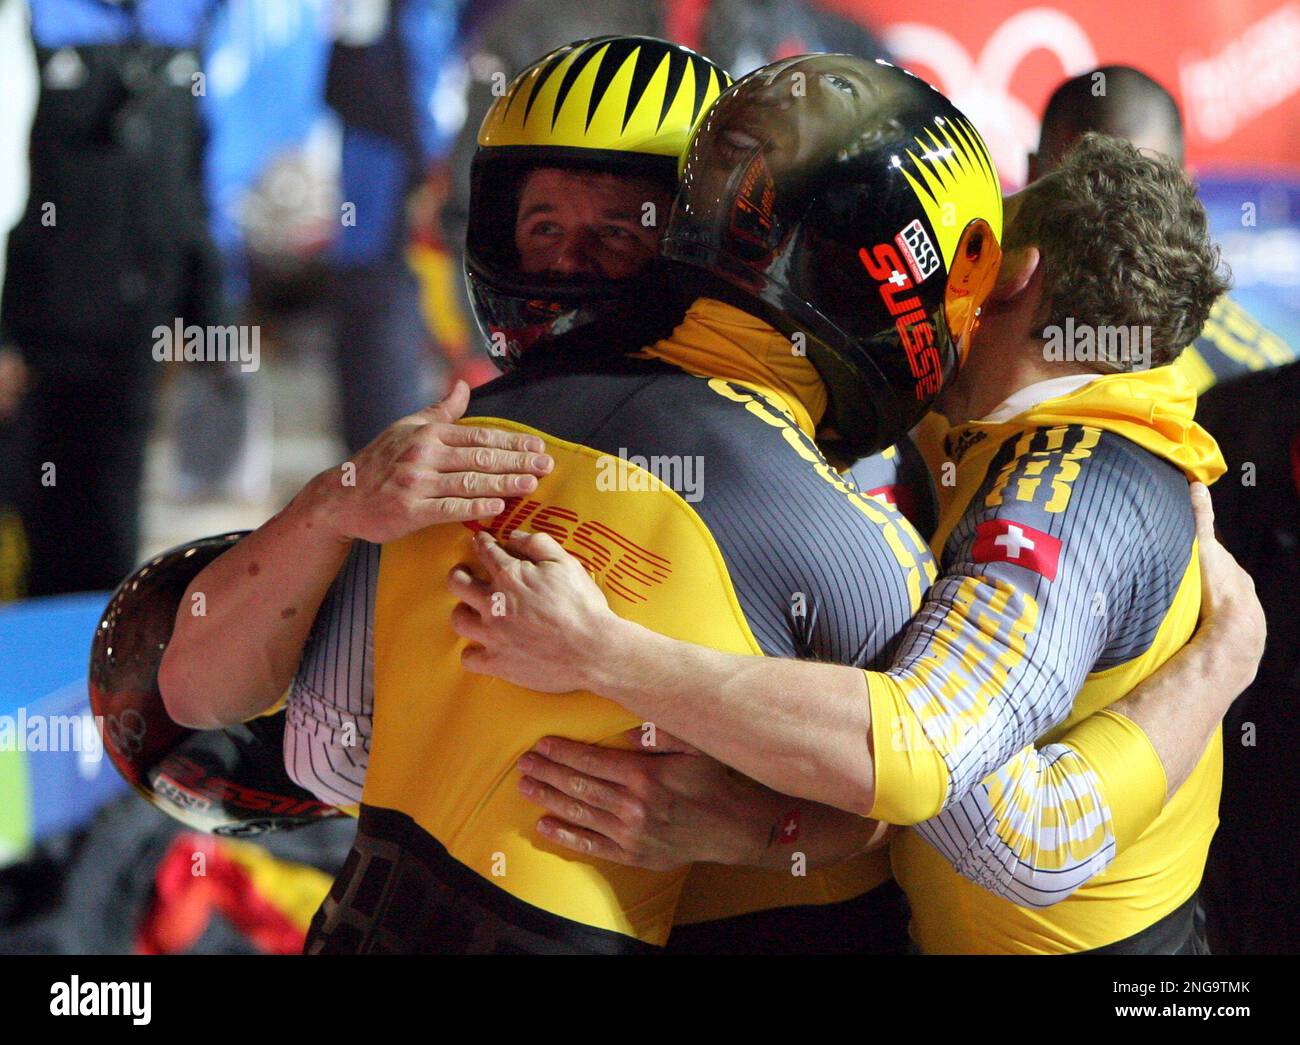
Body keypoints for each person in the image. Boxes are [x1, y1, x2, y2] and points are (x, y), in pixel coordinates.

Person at [450, 95, 1248, 952]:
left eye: (966, 249)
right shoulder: (985, 415)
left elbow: (1016, 828)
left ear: (1012, 272)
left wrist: (602, 652)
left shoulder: (1075, 486)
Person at [1029, 65, 1296, 395]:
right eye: (1082, 197)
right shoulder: (1257, 380)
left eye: (1141, 199)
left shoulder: (1252, 394)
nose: (1108, 229)